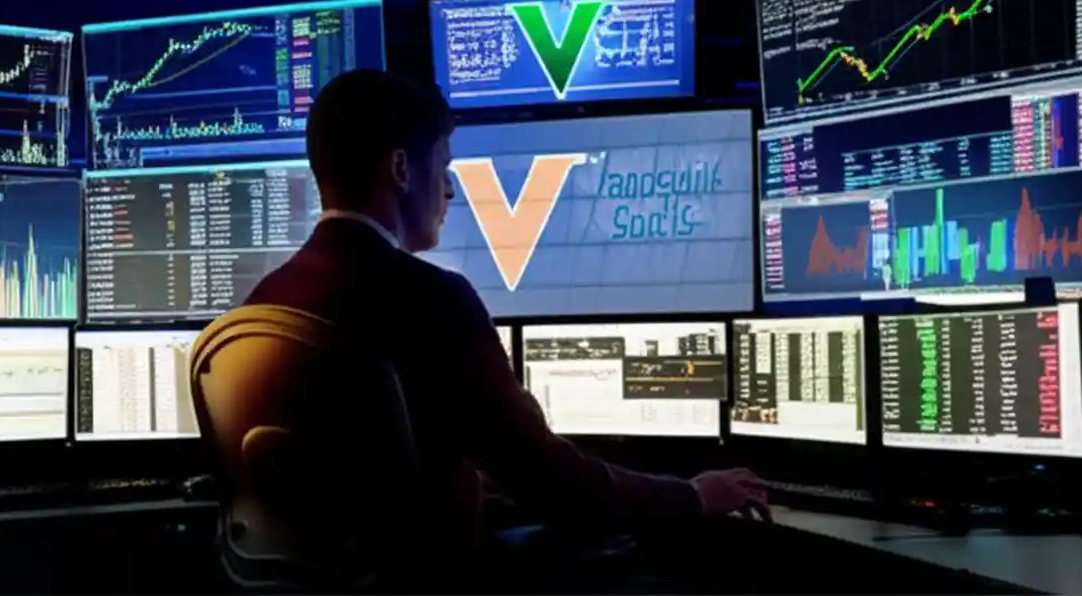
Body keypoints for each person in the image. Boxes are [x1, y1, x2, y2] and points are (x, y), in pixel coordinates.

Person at [224, 69, 769, 584]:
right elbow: (554, 484)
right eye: (445, 167)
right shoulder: (434, 301)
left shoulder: (255, 310)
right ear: (401, 170)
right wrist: (693, 494)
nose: (451, 192)